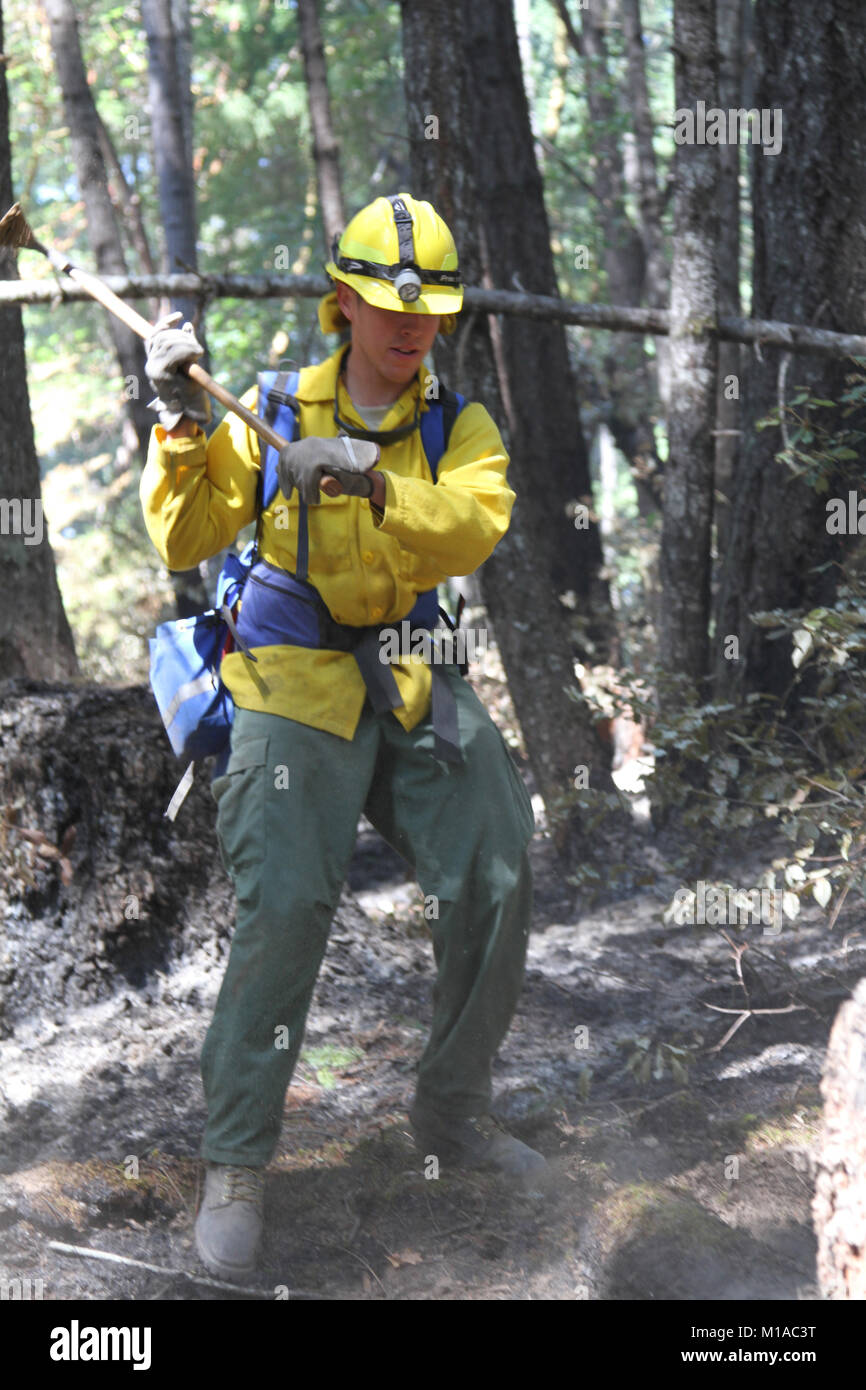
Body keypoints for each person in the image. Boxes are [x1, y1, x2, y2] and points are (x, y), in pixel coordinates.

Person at [140, 192, 544, 1282]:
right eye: (382, 303)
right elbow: (184, 530)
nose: (408, 325)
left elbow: (472, 526)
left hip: (414, 670)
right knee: (287, 900)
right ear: (344, 300)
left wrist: (369, 482)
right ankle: (234, 1166)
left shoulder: (455, 424)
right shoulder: (266, 401)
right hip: (285, 677)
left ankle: (452, 1111)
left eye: (427, 310)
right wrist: (177, 419)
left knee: (496, 858)